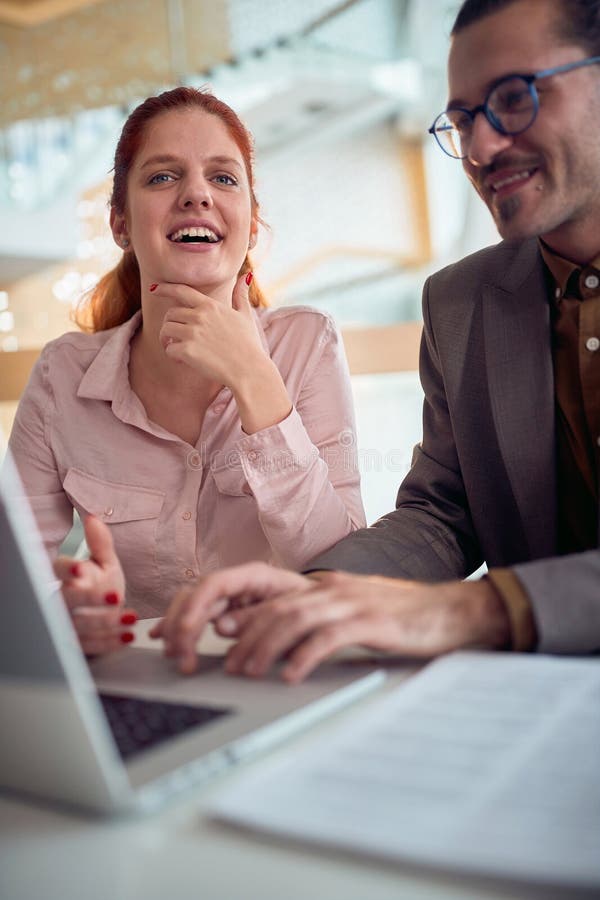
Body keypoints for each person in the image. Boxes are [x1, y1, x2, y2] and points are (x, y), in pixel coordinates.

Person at [153, 0, 600, 680]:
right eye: (462, 119)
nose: (479, 149)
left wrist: (477, 611)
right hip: (529, 700)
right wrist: (322, 588)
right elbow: (442, 515)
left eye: (514, 97)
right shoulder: (461, 301)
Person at [8, 87, 365, 656]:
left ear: (250, 225)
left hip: (280, 672)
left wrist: (255, 380)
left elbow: (345, 572)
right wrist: (65, 612)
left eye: (223, 178)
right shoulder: (62, 374)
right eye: (162, 177)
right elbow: (15, 580)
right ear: (120, 224)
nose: (197, 194)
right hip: (134, 681)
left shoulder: (307, 342)